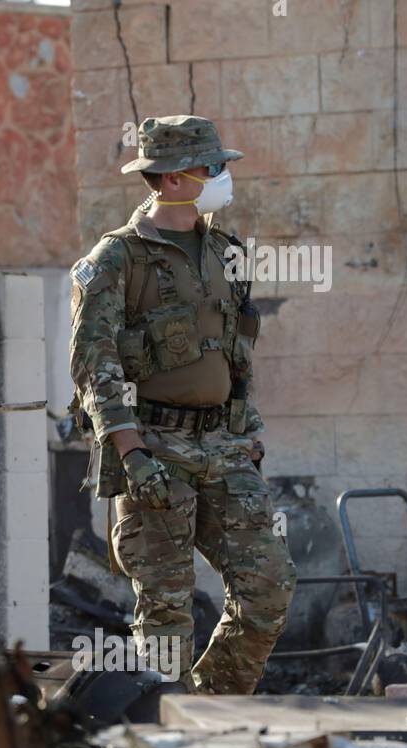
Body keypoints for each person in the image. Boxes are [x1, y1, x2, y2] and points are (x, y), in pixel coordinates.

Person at [67, 115, 297, 694]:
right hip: (154, 449)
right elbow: (95, 364)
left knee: (268, 588)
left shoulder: (226, 249)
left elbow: (239, 347)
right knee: (167, 616)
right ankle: (166, 739)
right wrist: (132, 452)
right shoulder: (116, 259)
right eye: (211, 167)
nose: (223, 177)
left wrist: (248, 429)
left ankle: (207, 712)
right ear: (170, 178)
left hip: (225, 445)